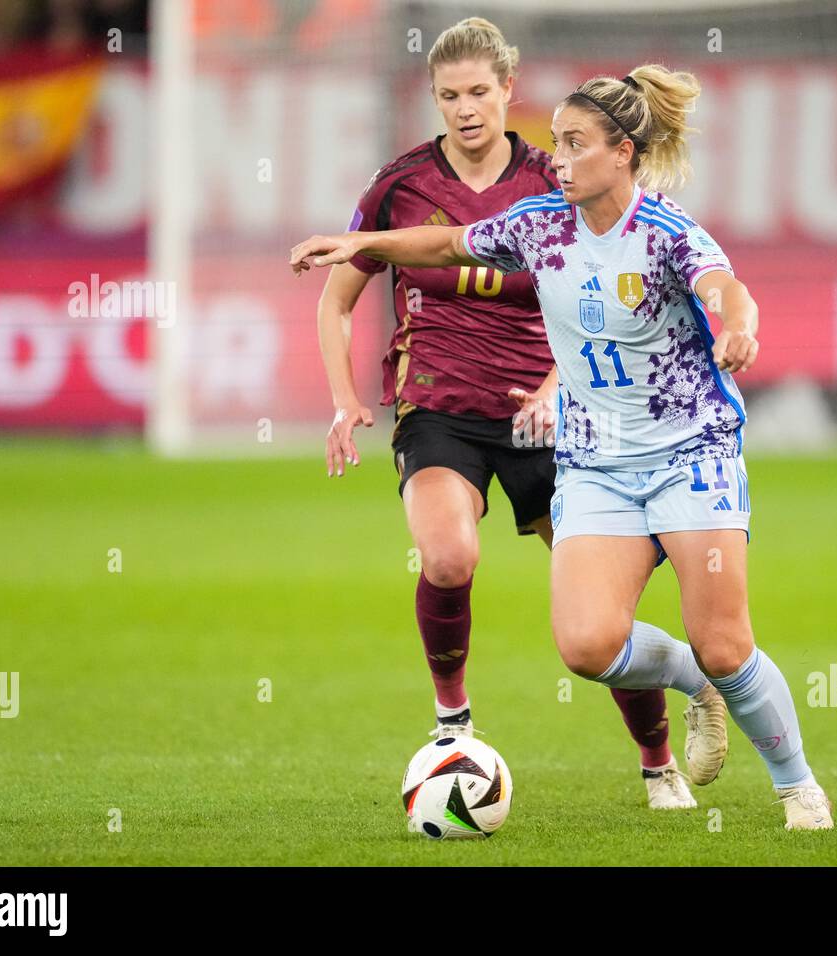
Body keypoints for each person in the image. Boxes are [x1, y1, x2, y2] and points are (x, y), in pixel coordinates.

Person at [312, 19, 727, 812]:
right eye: (447, 95)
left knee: (601, 620)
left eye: (478, 91)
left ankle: (656, 756)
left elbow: (606, 294)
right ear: (432, 99)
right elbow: (338, 300)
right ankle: (451, 725)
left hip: (547, 419)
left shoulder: (556, 181)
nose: (464, 109)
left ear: (509, 88)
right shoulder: (400, 184)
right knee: (446, 558)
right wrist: (342, 397)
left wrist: (555, 385)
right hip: (439, 409)